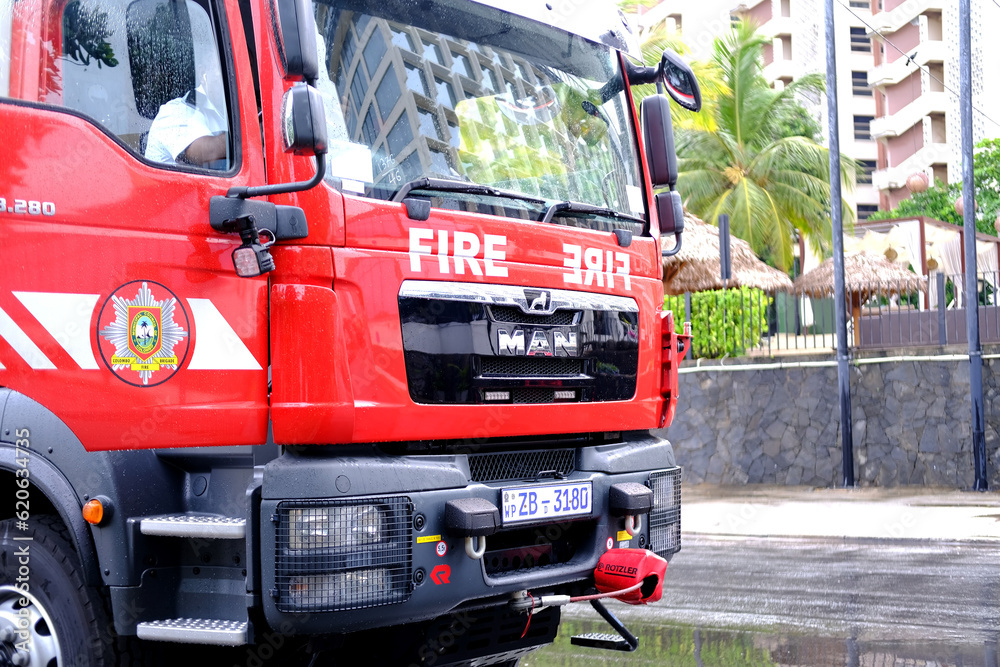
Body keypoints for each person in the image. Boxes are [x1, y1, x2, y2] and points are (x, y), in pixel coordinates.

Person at [145, 71, 229, 168]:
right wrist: (247, 134)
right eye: (221, 71)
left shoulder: (226, 111)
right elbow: (207, 153)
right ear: (202, 73)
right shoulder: (175, 111)